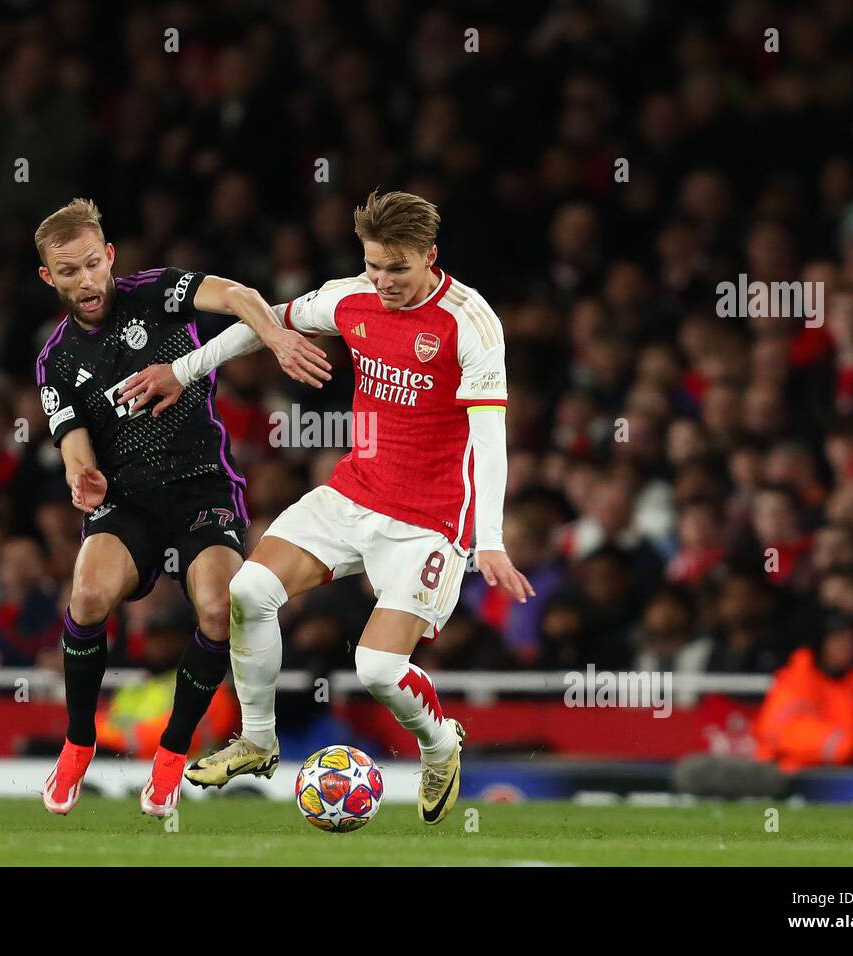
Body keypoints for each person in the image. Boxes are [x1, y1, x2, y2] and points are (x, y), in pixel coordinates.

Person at [123, 189, 533, 824]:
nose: (383, 280)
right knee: (248, 591)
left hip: (429, 522)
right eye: (373, 264)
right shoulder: (350, 296)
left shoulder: (470, 323)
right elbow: (265, 323)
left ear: (430, 256)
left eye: (397, 267)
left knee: (377, 669)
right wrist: (183, 370)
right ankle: (258, 740)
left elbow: (489, 435)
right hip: (352, 493)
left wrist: (492, 538)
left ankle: (439, 741)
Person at [32, 198, 329, 818]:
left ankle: (171, 754)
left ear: (109, 257)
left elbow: (239, 294)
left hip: (199, 488)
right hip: (128, 501)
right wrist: (81, 476)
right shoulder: (56, 358)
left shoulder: (158, 293)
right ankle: (79, 741)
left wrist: (273, 337)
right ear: (48, 278)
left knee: (222, 607)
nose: (86, 281)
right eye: (68, 272)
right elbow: (72, 437)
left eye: (93, 264)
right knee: (86, 597)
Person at [754, 614, 853, 772]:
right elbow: (787, 733)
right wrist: (849, 750)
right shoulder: (795, 680)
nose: (847, 648)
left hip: (849, 775)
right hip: (797, 777)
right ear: (821, 644)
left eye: (850, 641)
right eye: (839, 642)